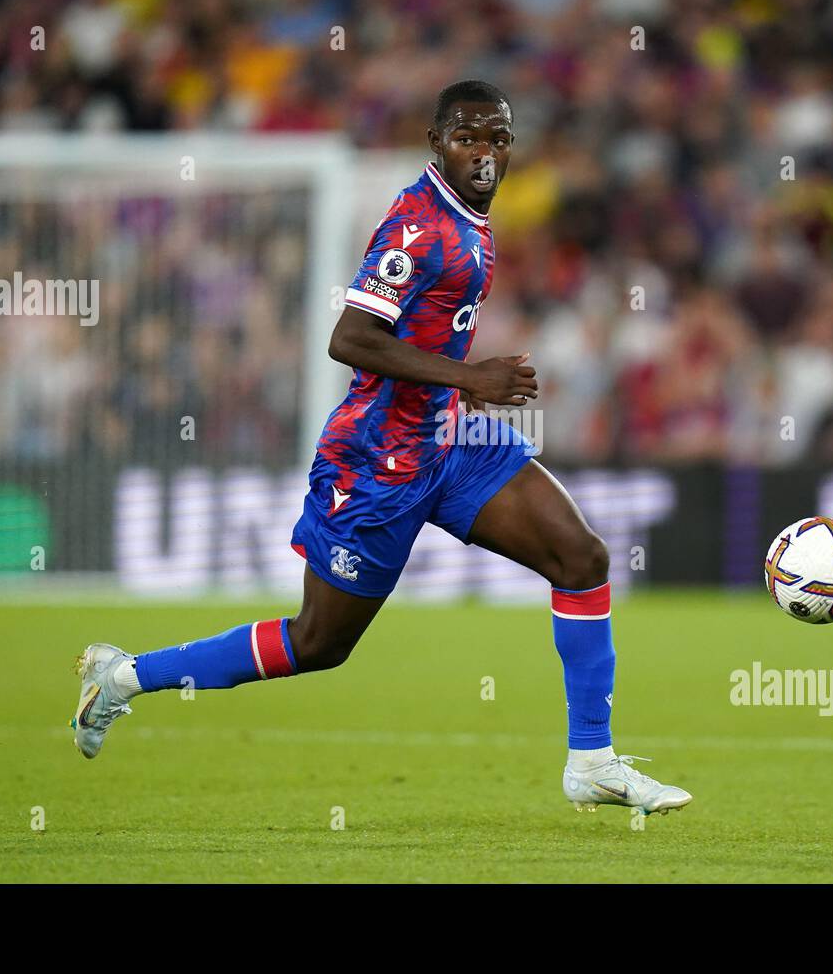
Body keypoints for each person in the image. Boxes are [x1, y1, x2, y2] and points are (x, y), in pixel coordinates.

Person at [70, 80, 691, 817]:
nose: (485, 154)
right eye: (467, 138)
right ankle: (125, 677)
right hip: (375, 462)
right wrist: (470, 377)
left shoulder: (473, 219)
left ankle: (592, 760)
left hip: (449, 441)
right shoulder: (416, 226)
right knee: (319, 642)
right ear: (436, 143)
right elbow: (350, 339)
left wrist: (460, 393)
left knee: (581, 556)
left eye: (497, 139)